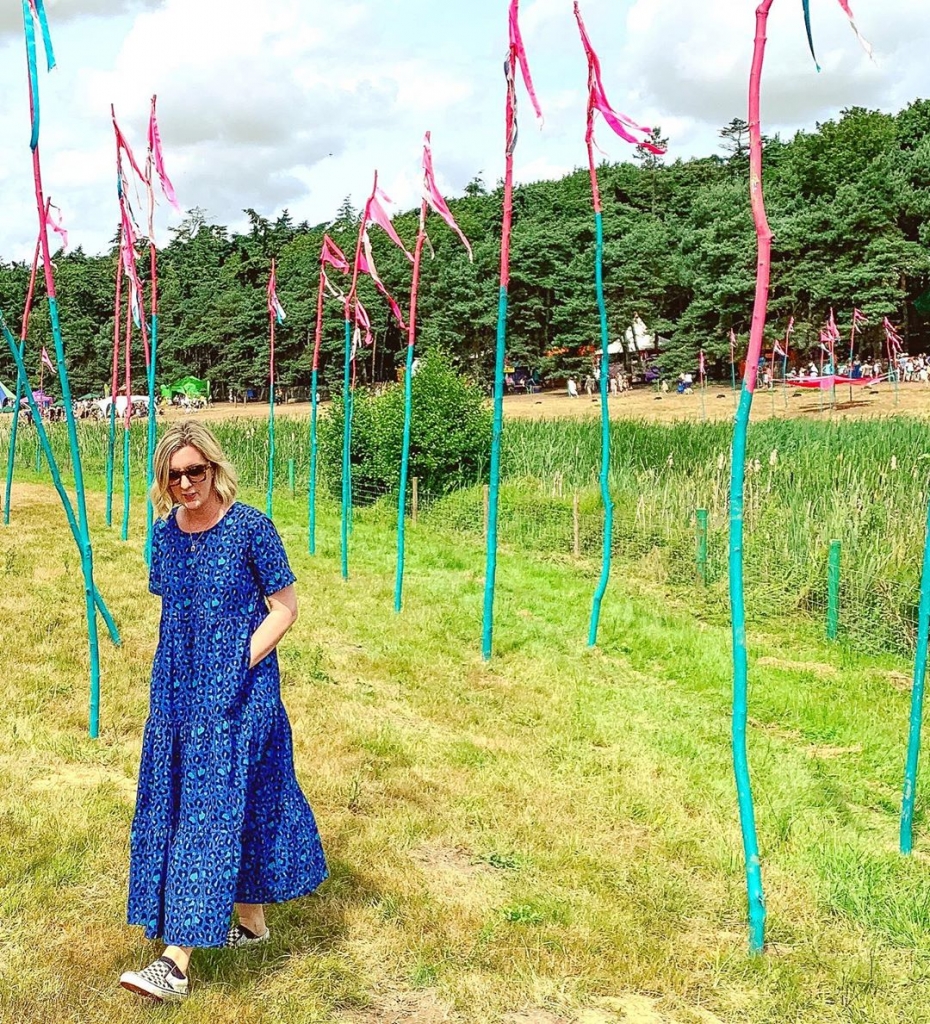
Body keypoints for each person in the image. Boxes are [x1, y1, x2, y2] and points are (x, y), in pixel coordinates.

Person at [119, 421, 327, 1003]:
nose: (186, 483)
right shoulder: (165, 535)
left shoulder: (249, 528)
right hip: (177, 692)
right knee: (223, 799)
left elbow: (285, 607)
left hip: (239, 692)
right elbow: (175, 611)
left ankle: (176, 960)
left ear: (214, 469)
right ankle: (253, 925)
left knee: (209, 809)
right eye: (174, 474)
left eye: (196, 471)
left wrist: (238, 663)